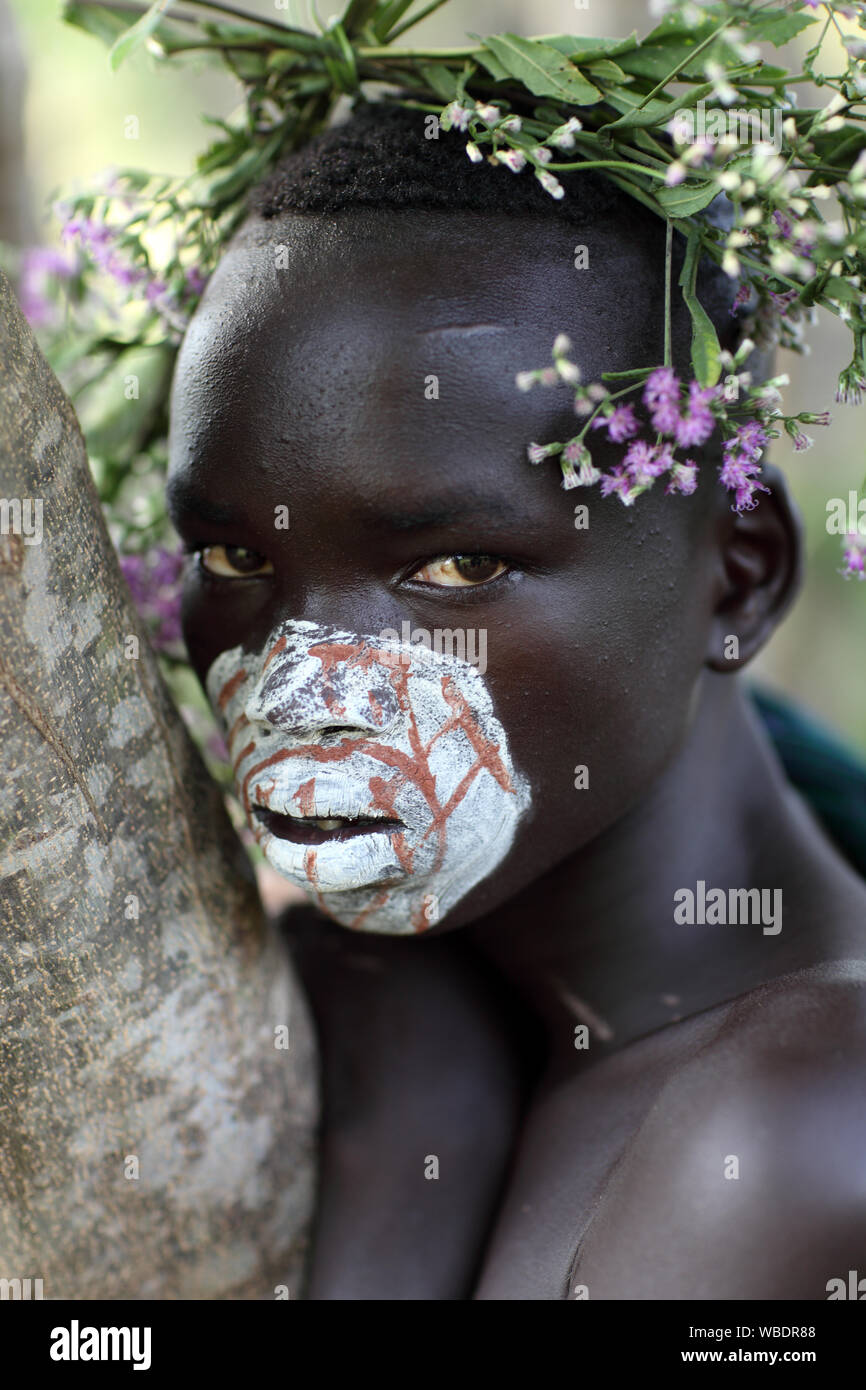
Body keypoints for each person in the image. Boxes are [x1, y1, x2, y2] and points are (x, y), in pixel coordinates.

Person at [165, 103, 866, 1300]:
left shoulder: (796, 1125)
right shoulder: (443, 1003)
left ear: (736, 575)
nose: (304, 678)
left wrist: (397, 1175)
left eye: (454, 567)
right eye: (237, 563)